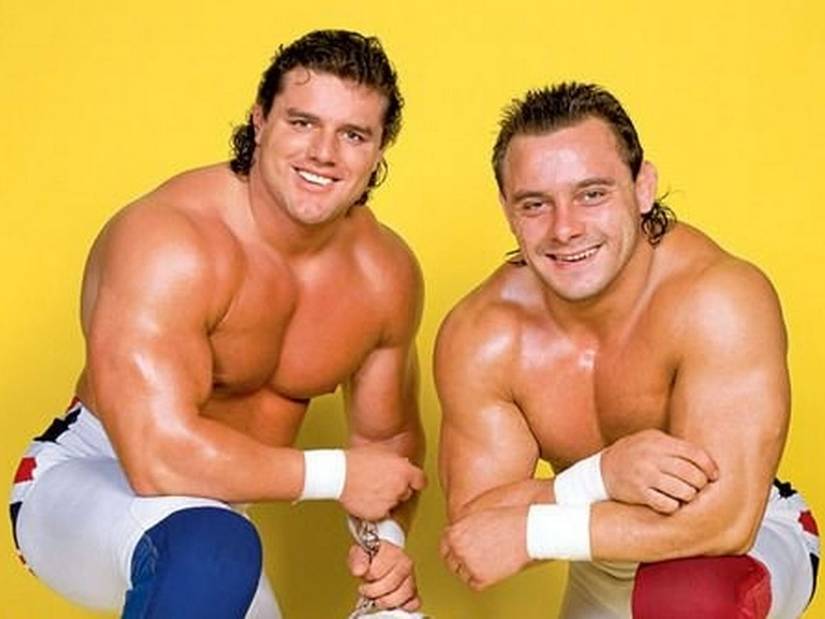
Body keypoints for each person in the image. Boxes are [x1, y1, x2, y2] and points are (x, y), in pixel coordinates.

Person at [9, 29, 427, 618]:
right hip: (93, 478)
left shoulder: (385, 274)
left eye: (353, 135)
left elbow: (384, 446)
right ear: (260, 121)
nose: (324, 153)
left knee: (235, 555)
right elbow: (156, 459)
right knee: (211, 549)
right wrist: (336, 474)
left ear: (380, 151)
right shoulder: (171, 241)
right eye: (302, 123)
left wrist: (385, 547)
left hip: (220, 526)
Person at [436, 82, 819, 618]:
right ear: (507, 210)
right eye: (535, 204)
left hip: (743, 549)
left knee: (689, 600)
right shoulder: (484, 336)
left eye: (592, 194)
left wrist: (537, 528)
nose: (565, 228)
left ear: (643, 188)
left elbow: (724, 520)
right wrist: (602, 474)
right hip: (601, 554)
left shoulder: (716, 298)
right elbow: (476, 529)